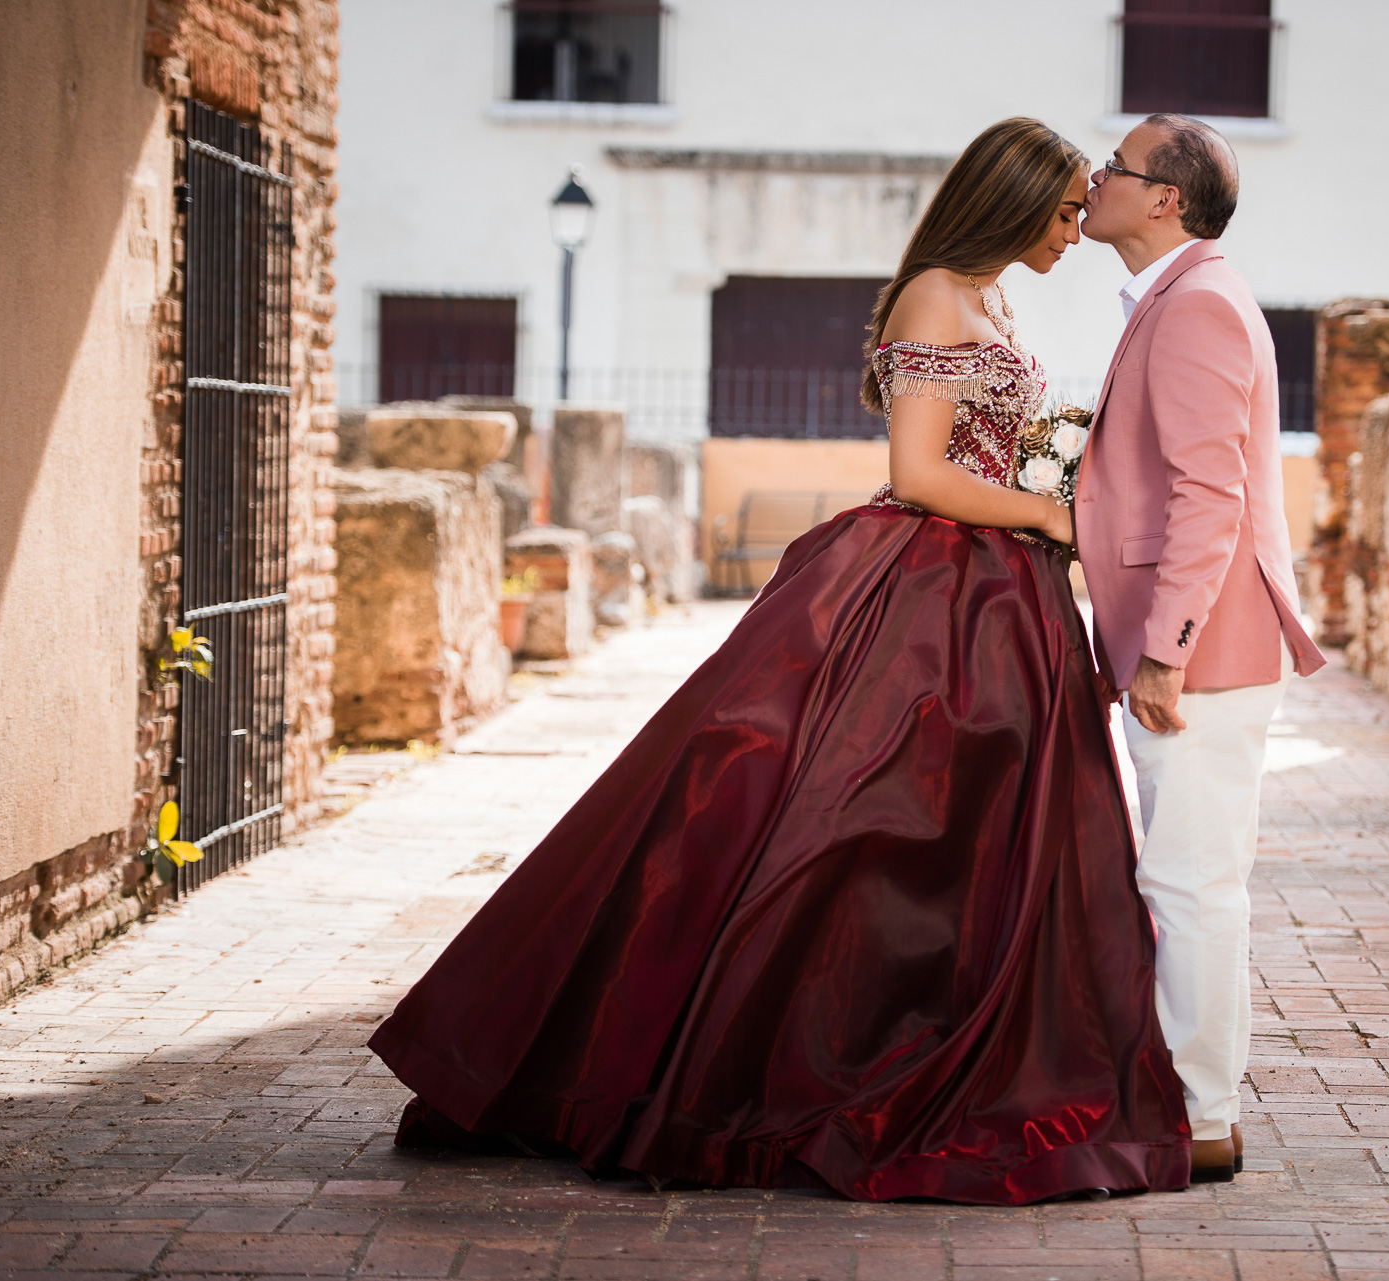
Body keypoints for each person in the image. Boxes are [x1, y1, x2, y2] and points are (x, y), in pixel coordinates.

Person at [368, 117, 1191, 1205]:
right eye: (1060, 212)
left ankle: (936, 1025)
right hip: (929, 590)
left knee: (971, 838)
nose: (1074, 229)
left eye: (1081, 210)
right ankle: (777, 1054)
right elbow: (920, 474)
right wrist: (1060, 512)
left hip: (1004, 594)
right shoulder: (938, 295)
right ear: (1005, 203)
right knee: (849, 819)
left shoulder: (991, 296)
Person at [1076, 114, 1328, 1183]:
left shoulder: (1200, 307)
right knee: (1186, 878)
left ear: (1165, 199)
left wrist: (1167, 650)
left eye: (1115, 168)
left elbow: (1209, 494)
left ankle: (1202, 1115)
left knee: (1192, 884)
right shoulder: (1177, 299)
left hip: (1206, 653)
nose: (1094, 179)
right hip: (1190, 644)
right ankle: (1190, 1101)